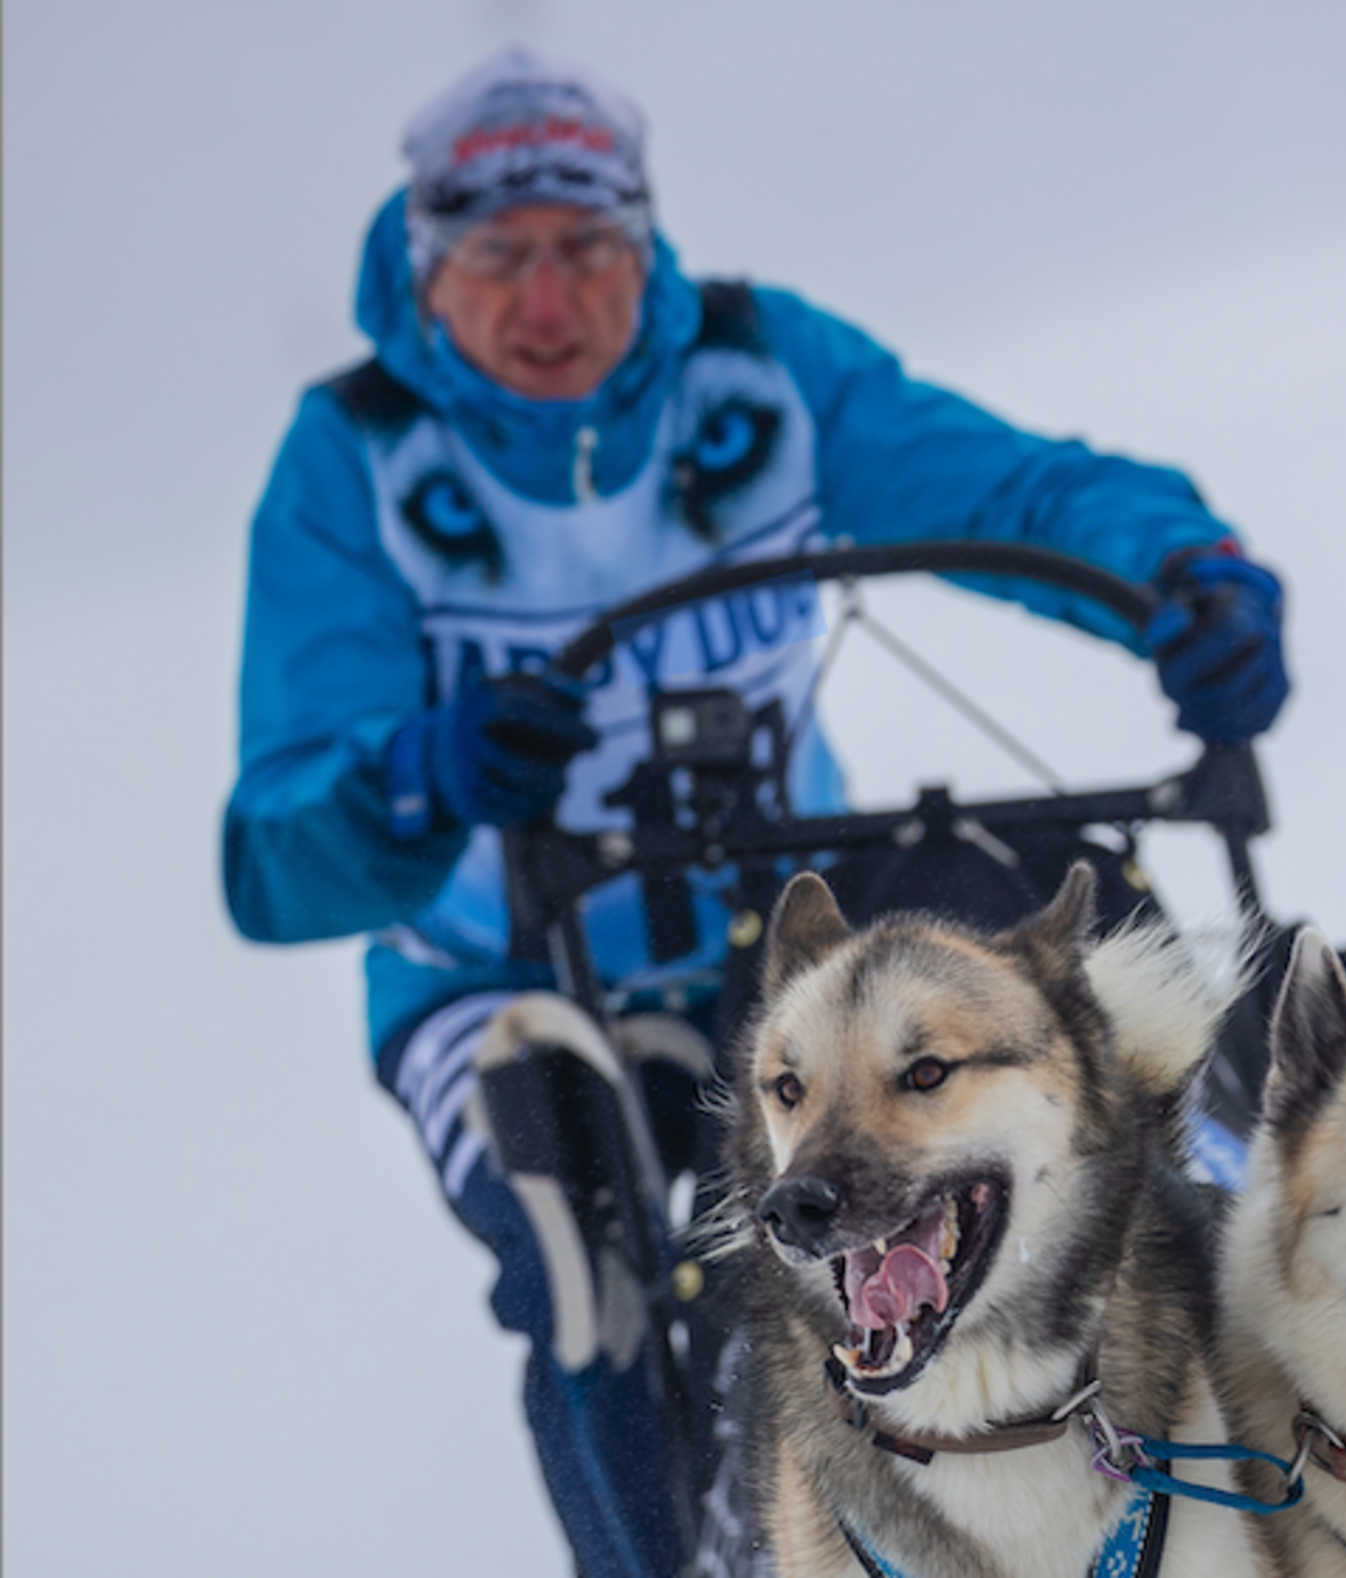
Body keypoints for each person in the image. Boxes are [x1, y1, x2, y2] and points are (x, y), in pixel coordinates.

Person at [223, 47, 1288, 1578]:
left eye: (587, 252)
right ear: (424, 269)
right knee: (578, 1238)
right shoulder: (357, 461)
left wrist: (1186, 572)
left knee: (1090, 1074)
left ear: (644, 244)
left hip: (788, 933)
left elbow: (1014, 489)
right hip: (504, 972)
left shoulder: (758, 370)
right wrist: (427, 772)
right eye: (499, 260)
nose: (548, 305)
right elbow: (270, 852)